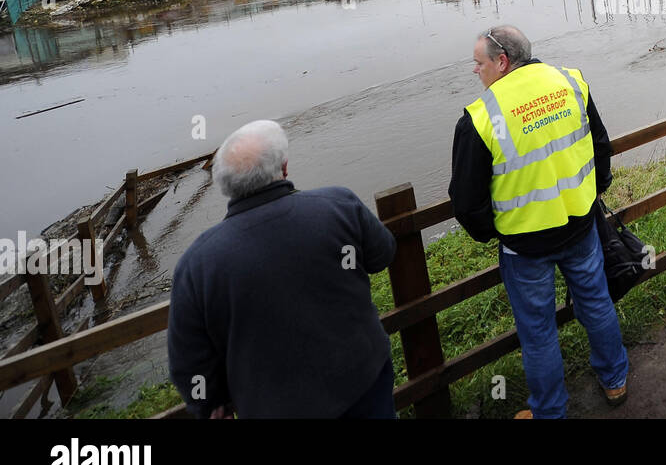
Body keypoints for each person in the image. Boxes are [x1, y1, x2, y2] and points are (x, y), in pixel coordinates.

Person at [449, 25, 628, 419]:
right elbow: (601, 146)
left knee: (538, 331)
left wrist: (494, 231)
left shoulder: (481, 118)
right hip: (580, 225)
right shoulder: (571, 82)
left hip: (525, 245)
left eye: (478, 64)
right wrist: (590, 193)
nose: (474, 71)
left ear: (501, 61)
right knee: (596, 303)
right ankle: (615, 380)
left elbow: (466, 202)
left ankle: (549, 410)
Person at [168, 120, 397, 418]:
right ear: (284, 169)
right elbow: (383, 254)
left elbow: (188, 359)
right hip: (362, 385)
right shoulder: (338, 205)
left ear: (225, 186)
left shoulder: (196, 264)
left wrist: (210, 403)